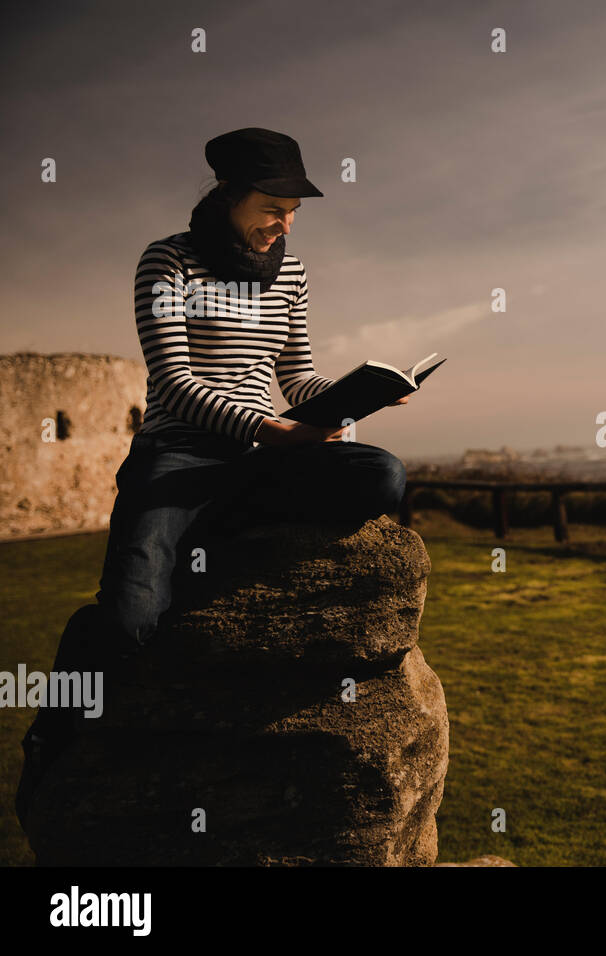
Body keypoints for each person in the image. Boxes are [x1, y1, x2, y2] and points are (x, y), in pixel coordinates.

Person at [15, 128, 411, 828]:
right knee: (128, 620)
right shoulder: (167, 260)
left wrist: (359, 397)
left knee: (380, 474)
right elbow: (175, 380)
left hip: (259, 454)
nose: (283, 224)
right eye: (272, 207)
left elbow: (295, 375)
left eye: (293, 213)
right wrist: (271, 427)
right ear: (227, 194)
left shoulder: (290, 272)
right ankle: (53, 733)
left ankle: (220, 524)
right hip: (179, 453)